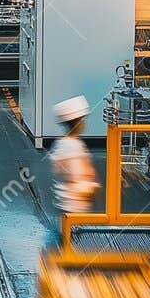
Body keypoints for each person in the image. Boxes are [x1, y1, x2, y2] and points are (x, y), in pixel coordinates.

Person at [49, 96, 100, 248]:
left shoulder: (62, 143)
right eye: (82, 119)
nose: (84, 123)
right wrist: (91, 189)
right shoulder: (72, 147)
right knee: (74, 248)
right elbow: (77, 178)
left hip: (67, 205)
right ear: (77, 123)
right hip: (74, 207)